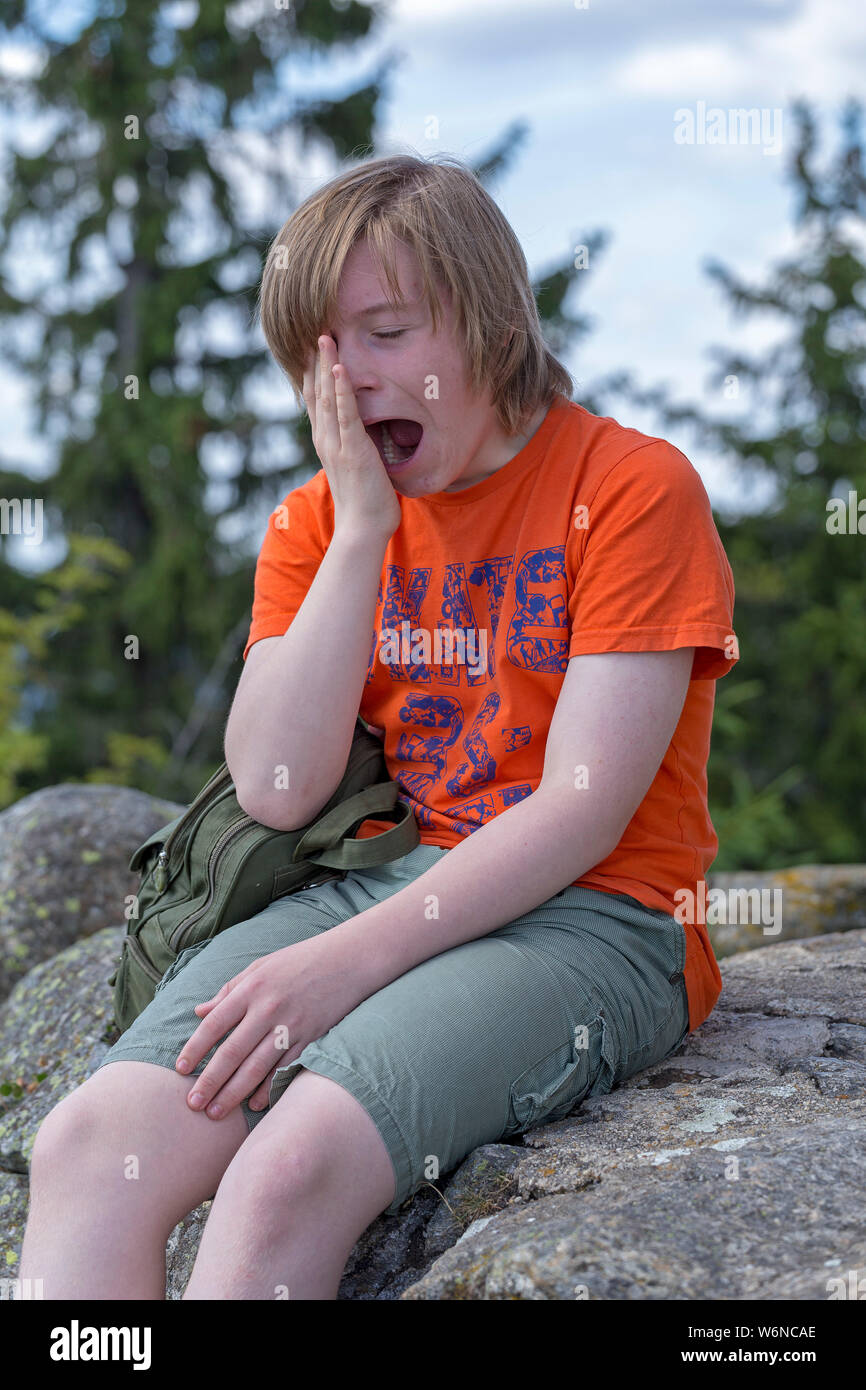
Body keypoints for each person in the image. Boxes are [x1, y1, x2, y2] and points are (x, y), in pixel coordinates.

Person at [20, 151, 739, 1301]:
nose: (348, 379)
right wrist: (360, 536)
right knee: (87, 1147)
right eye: (318, 350)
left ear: (492, 324)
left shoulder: (631, 488)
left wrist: (338, 968)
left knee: (288, 1166)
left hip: (598, 916)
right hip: (383, 879)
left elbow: (581, 806)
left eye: (386, 332)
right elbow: (276, 784)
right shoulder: (318, 520)